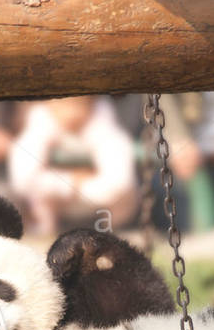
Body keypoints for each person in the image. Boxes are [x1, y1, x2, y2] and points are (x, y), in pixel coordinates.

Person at [9, 97, 138, 236]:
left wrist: (82, 188)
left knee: (125, 200)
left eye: (79, 104)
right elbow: (23, 180)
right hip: (53, 214)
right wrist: (70, 182)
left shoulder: (105, 128)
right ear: (48, 103)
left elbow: (120, 182)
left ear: (91, 104)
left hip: (103, 214)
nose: (71, 113)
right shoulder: (38, 128)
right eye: (63, 103)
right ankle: (46, 232)